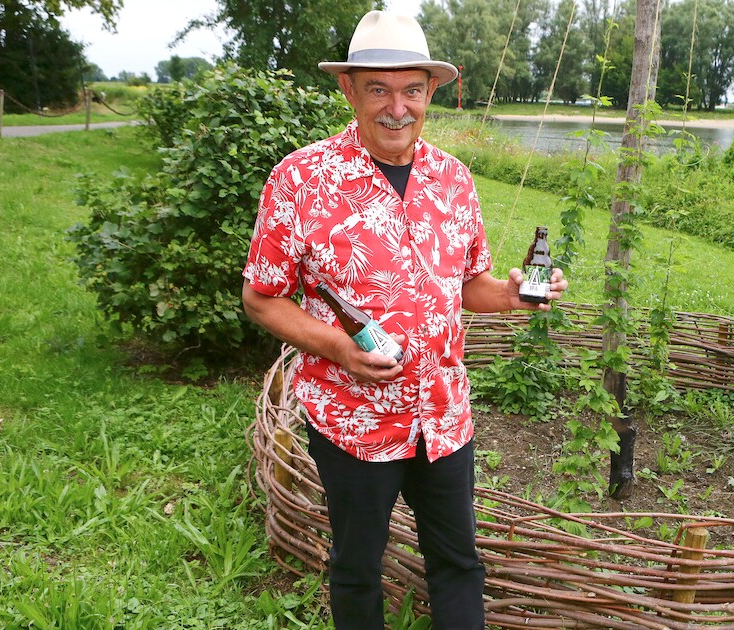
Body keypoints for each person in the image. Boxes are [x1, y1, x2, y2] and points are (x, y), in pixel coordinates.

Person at [241, 10, 567, 629]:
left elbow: (469, 286)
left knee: (459, 564)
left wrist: (517, 294)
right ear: (350, 90)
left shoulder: (455, 179)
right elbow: (263, 297)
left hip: (444, 413)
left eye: (411, 90)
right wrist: (338, 348)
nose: (398, 107)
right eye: (379, 89)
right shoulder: (300, 180)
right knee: (357, 567)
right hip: (352, 418)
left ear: (430, 93)